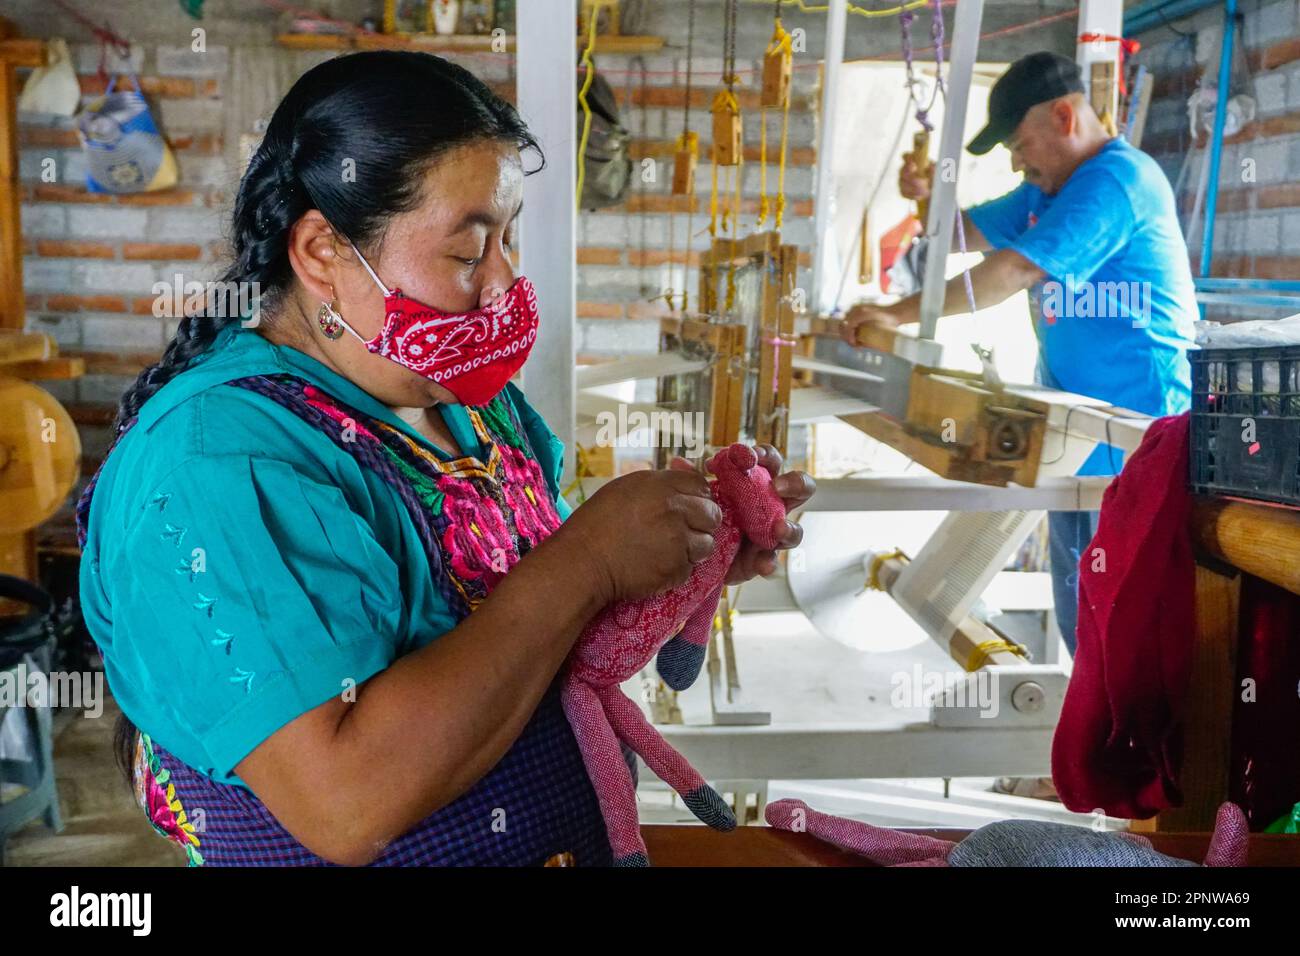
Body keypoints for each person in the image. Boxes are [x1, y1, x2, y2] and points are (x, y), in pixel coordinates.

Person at [76, 51, 814, 867]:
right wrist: (588, 562)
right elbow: (345, 802)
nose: (504, 280)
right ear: (322, 250)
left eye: (508, 239)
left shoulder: (467, 399)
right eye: (469, 252)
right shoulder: (217, 464)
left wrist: (681, 556)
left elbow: (534, 633)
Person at [842, 51, 1197, 656]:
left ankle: (1130, 744)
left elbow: (1014, 269)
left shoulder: (1117, 180)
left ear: (1063, 116)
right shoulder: (1048, 191)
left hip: (1141, 438)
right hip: (1080, 437)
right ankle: (1093, 740)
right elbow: (961, 235)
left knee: (1128, 630)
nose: (1015, 161)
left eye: (1018, 143)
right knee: (1083, 622)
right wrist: (926, 199)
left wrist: (898, 313)